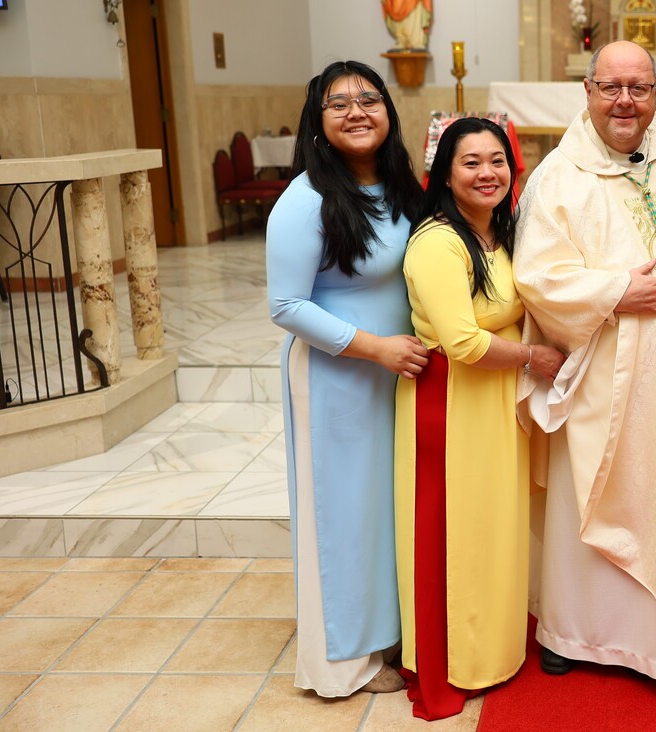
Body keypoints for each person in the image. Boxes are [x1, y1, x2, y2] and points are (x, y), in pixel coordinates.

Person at [513, 40, 656, 681]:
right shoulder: (560, 174)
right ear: (587, 91)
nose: (625, 101)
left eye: (639, 88)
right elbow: (538, 277)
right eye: (612, 87)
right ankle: (574, 632)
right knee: (600, 495)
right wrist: (616, 292)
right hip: (607, 375)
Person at [393, 117, 564, 720]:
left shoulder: (500, 232)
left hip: (494, 401)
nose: (487, 173)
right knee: (455, 533)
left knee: (494, 526)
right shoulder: (438, 241)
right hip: (453, 398)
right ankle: (453, 661)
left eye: (498, 161)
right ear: (444, 172)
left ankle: (492, 649)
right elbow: (463, 342)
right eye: (471, 162)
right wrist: (535, 356)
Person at [267, 60, 428, 698]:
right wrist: (373, 349)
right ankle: (341, 663)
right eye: (339, 104)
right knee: (343, 515)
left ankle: (382, 630)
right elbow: (285, 305)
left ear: (388, 111)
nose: (356, 111)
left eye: (369, 98)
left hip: (392, 373)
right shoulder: (304, 198)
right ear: (319, 121)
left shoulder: (397, 185)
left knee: (380, 511)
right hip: (340, 378)